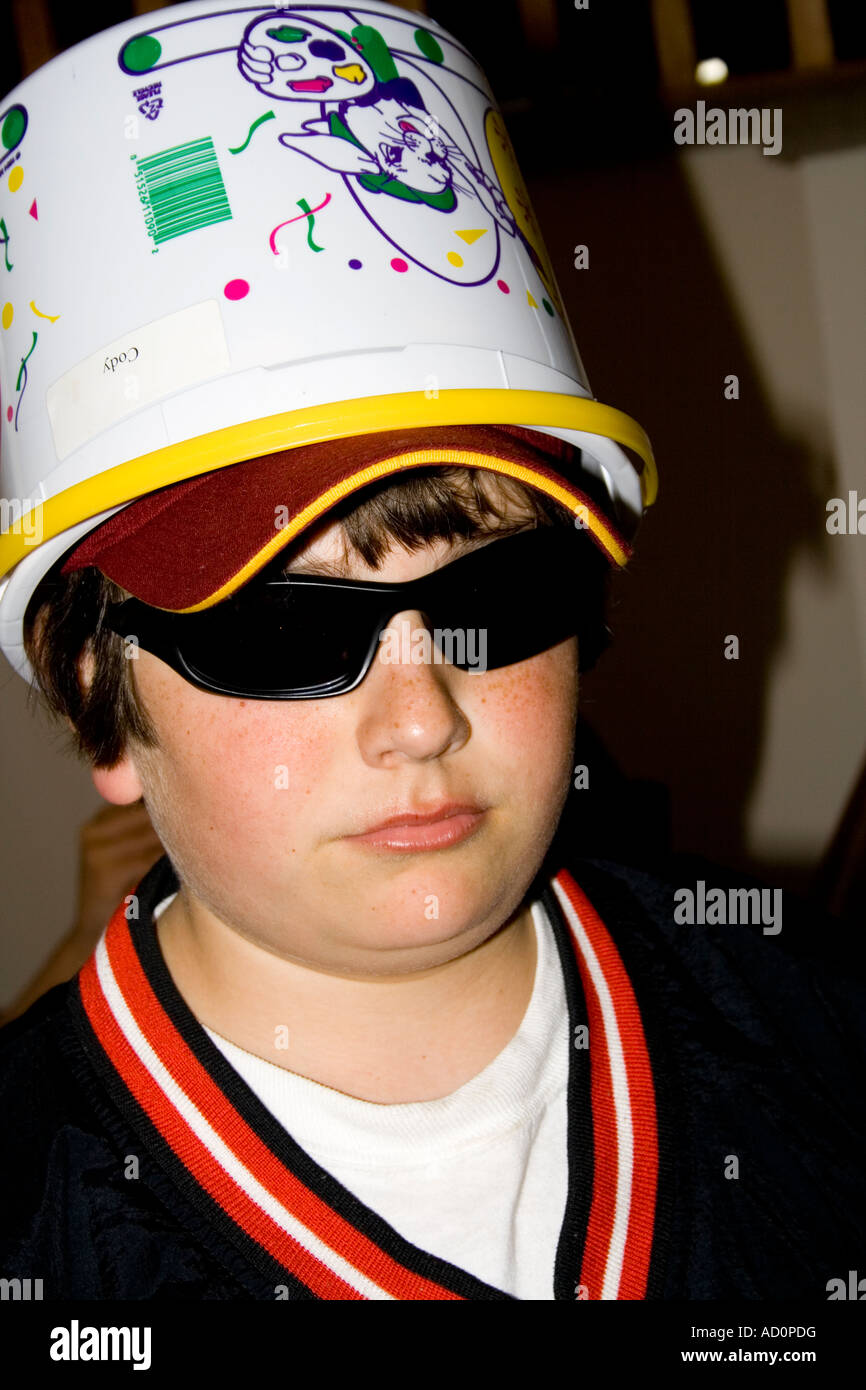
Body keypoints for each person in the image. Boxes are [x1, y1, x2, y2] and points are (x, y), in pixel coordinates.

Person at [0, 1, 863, 1303]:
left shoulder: (814, 1034)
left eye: (497, 591)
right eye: (281, 621)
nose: (420, 718)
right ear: (99, 697)